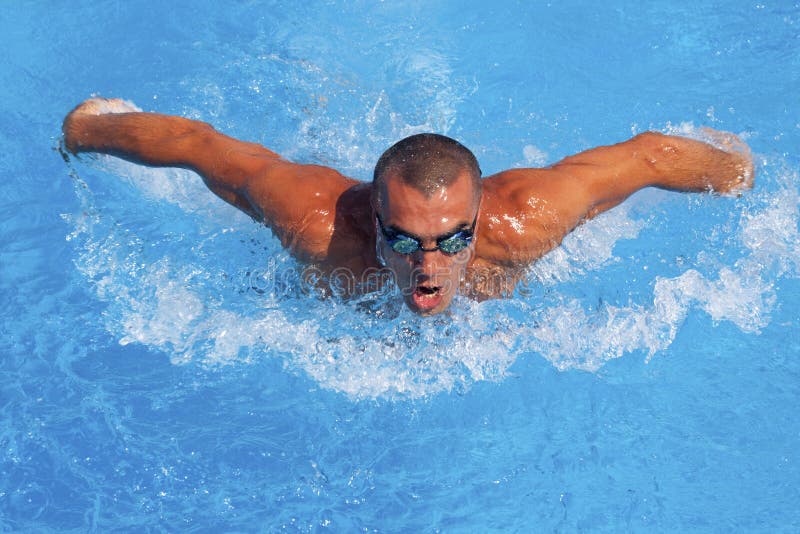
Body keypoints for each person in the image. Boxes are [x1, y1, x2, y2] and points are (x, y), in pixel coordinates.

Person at [62, 97, 754, 316]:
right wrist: (85, 131)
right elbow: (198, 146)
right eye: (405, 240)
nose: (429, 266)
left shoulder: (530, 217)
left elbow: (650, 157)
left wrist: (741, 173)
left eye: (453, 240)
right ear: (373, 217)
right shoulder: (315, 222)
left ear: (481, 217)